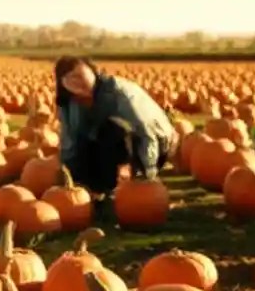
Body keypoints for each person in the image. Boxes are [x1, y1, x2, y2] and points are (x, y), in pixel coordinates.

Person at [53, 56, 177, 195]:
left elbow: (146, 133)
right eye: (72, 80)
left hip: (156, 144)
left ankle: (118, 182)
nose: (79, 85)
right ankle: (96, 188)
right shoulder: (69, 103)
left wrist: (148, 172)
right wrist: (68, 173)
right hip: (114, 142)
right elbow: (70, 140)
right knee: (84, 140)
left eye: (81, 77)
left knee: (112, 128)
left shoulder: (119, 93)